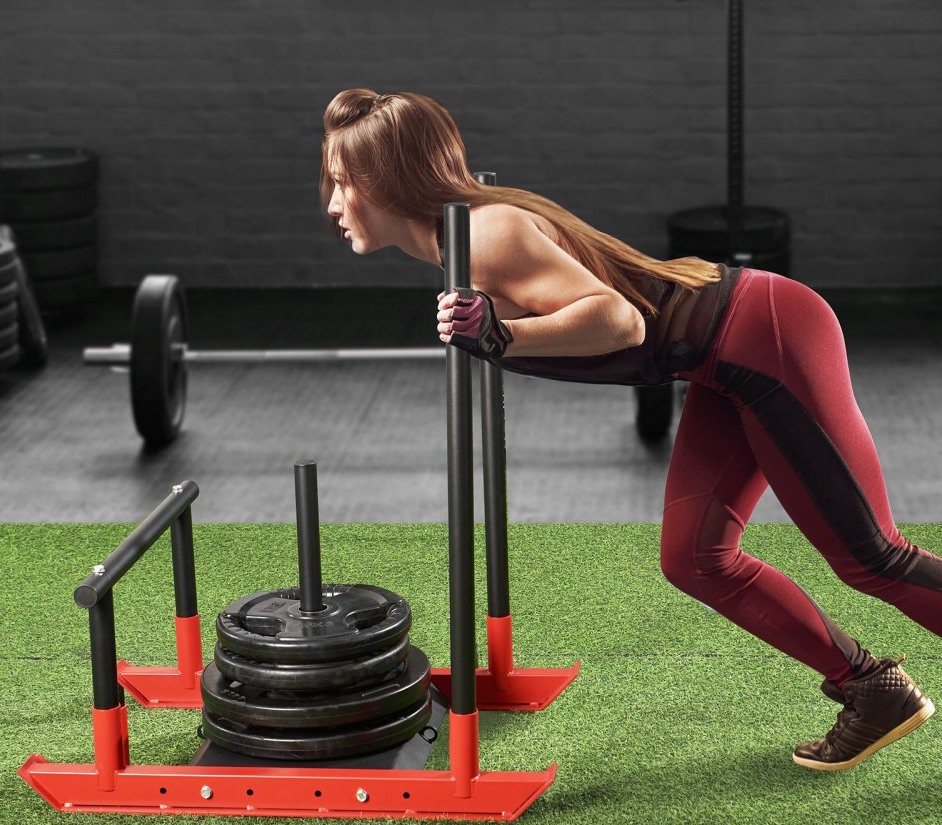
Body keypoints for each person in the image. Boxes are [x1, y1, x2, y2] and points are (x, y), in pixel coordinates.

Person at [321, 87, 937, 771]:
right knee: (695, 559)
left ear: (381, 181)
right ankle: (872, 691)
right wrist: (501, 335)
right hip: (716, 362)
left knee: (872, 556)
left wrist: (500, 334)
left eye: (342, 182)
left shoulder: (486, 237)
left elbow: (619, 320)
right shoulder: (459, 241)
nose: (332, 204)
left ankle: (871, 687)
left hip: (766, 336)